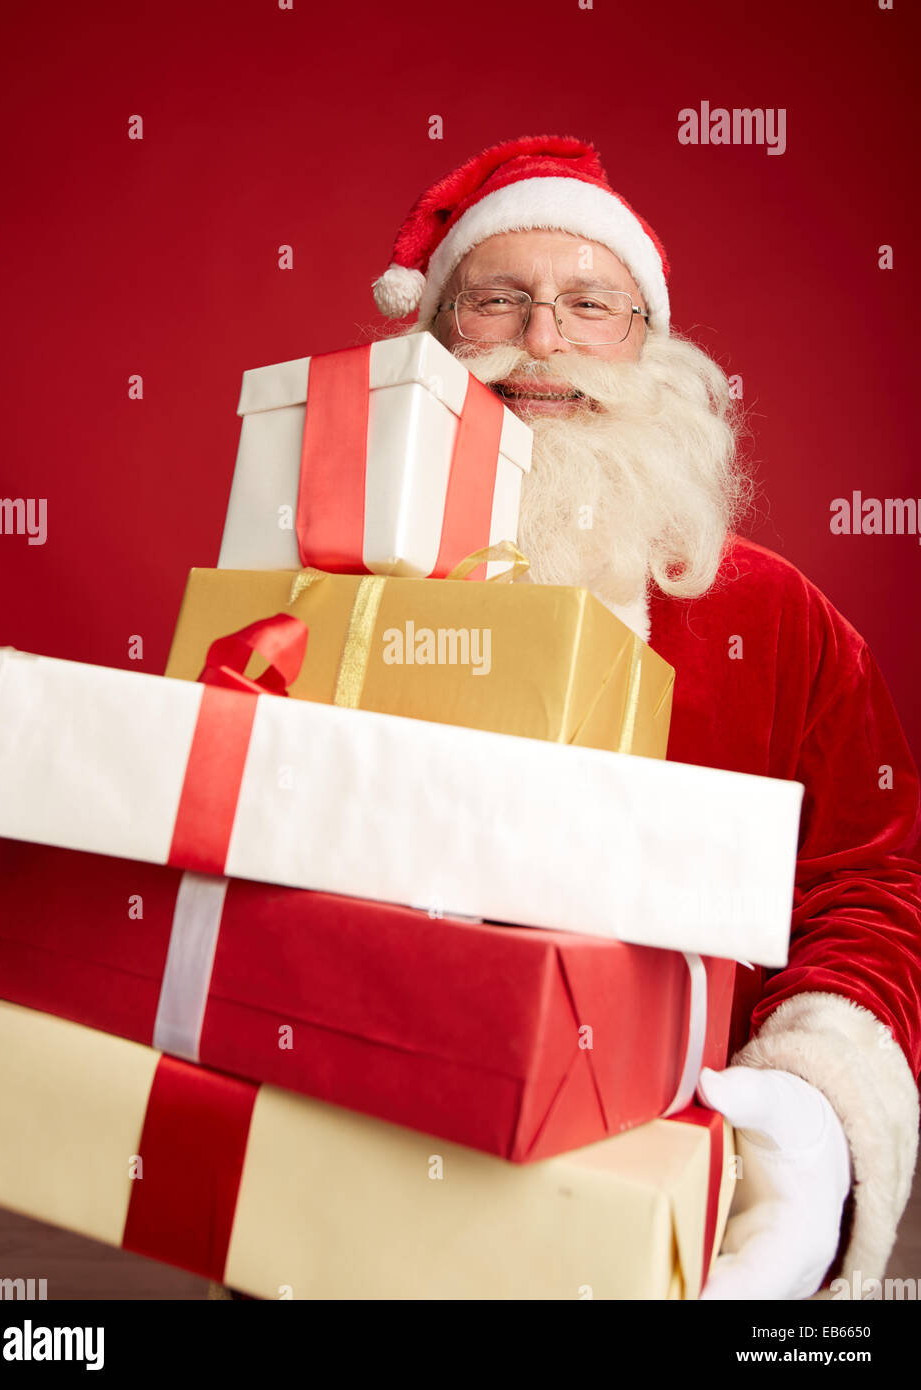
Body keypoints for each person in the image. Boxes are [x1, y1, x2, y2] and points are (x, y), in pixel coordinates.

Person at [371, 134, 921, 1300]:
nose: (542, 342)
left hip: (670, 1182)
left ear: (649, 346)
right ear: (434, 336)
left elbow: (863, 884)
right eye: (497, 301)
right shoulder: (327, 590)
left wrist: (812, 1120)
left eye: (588, 304)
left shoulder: (772, 617)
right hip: (369, 1170)